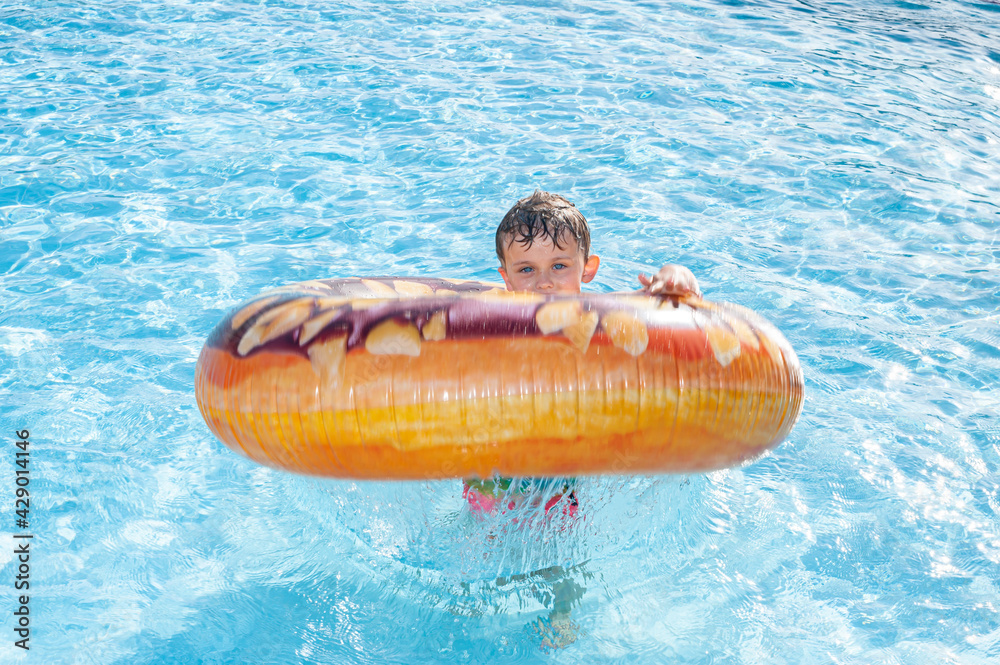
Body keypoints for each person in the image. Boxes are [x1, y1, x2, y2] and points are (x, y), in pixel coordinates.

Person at [463, 190, 701, 648]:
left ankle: (563, 613)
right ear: (505, 278)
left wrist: (673, 280)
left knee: (562, 566)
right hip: (491, 474)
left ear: (587, 269)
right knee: (480, 556)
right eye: (526, 270)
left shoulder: (599, 323)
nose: (544, 283)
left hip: (557, 481)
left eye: (559, 266)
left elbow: (679, 300)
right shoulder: (492, 323)